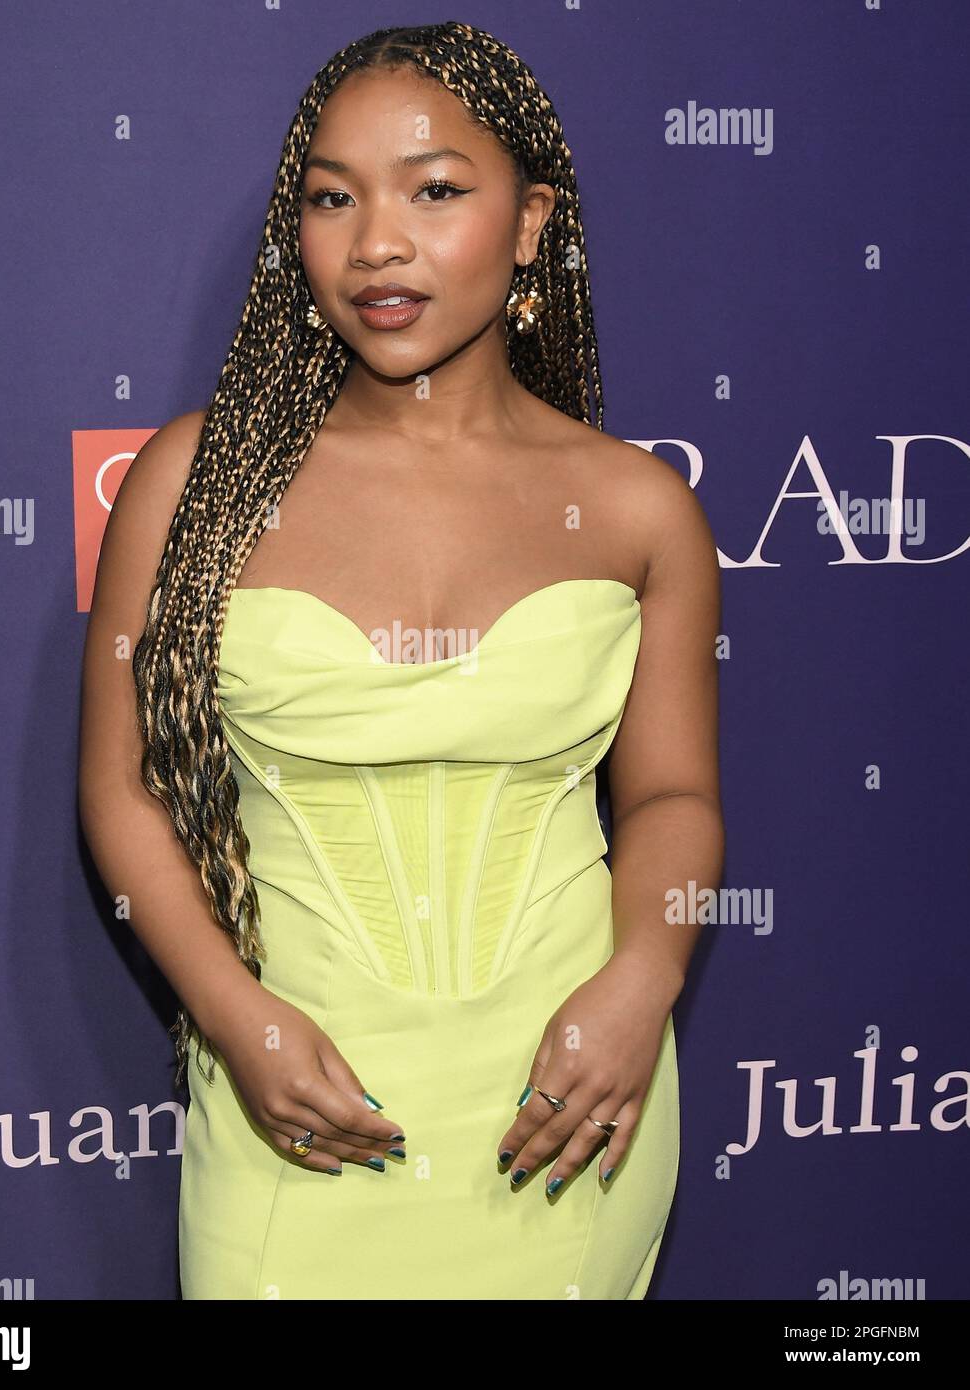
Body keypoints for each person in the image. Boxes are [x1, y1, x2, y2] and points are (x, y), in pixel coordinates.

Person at [79, 21, 723, 1300]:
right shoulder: (191, 482)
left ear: (531, 220)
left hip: (564, 1106)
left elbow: (670, 799)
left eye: (434, 189)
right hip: (294, 1103)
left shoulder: (639, 507)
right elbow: (124, 788)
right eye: (332, 196)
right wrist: (234, 1017)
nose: (376, 240)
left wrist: (641, 983)